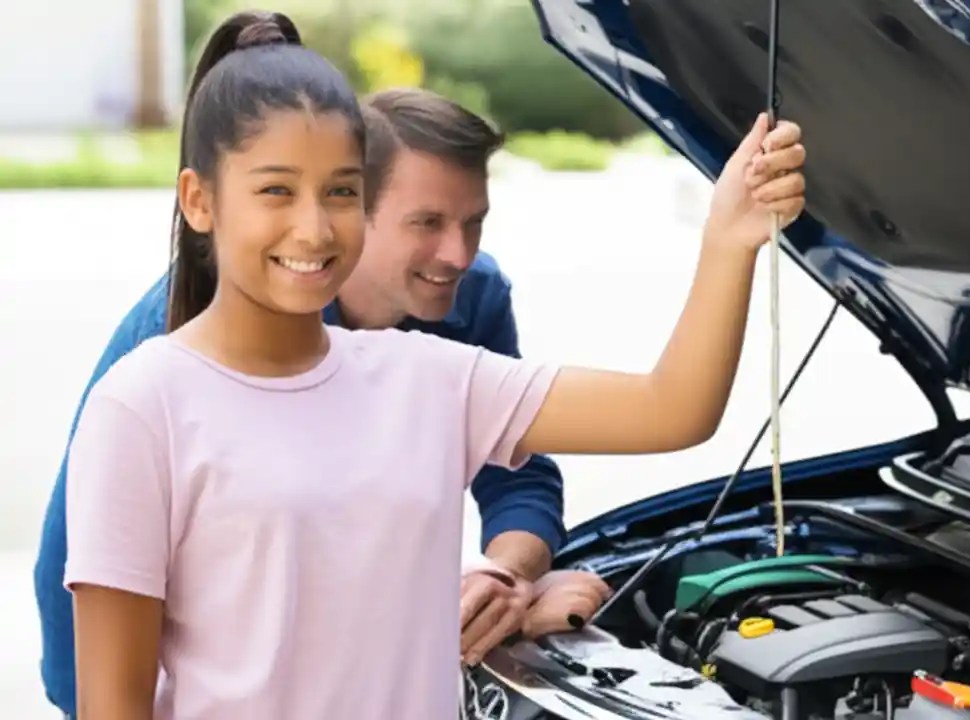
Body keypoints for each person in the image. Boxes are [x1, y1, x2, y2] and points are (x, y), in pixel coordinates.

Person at [63, 9, 805, 720]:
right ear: (199, 200)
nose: (315, 227)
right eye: (276, 191)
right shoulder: (142, 403)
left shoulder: (432, 376)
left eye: (342, 192)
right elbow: (112, 703)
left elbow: (672, 408)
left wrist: (728, 239)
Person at [32, 61, 605, 720]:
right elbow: (78, 557)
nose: (458, 253)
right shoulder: (181, 336)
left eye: (473, 222)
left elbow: (521, 477)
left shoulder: (470, 299)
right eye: (426, 223)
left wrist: (506, 578)